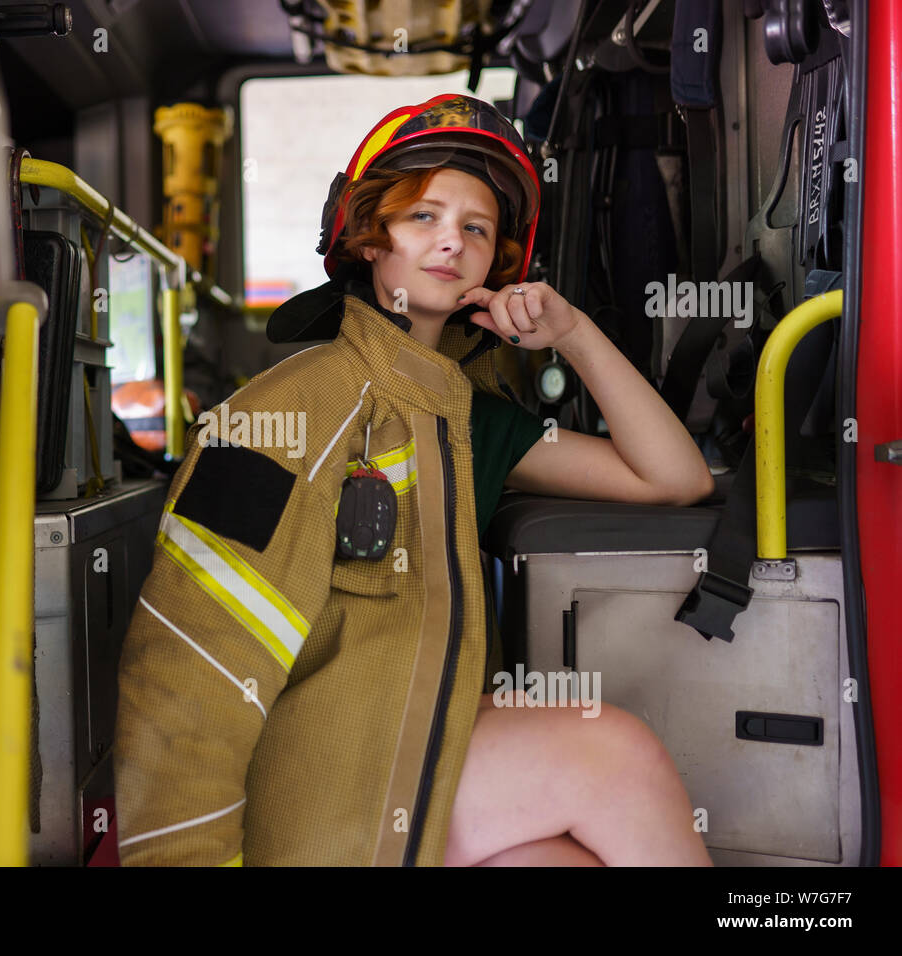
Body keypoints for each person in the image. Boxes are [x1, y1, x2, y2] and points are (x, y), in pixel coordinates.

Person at [113, 93, 715, 866]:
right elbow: (186, 667)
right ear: (368, 236)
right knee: (613, 752)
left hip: (403, 755)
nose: (451, 243)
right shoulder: (283, 413)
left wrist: (572, 332)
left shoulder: (467, 417)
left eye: (476, 227)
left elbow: (674, 478)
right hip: (298, 804)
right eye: (422, 217)